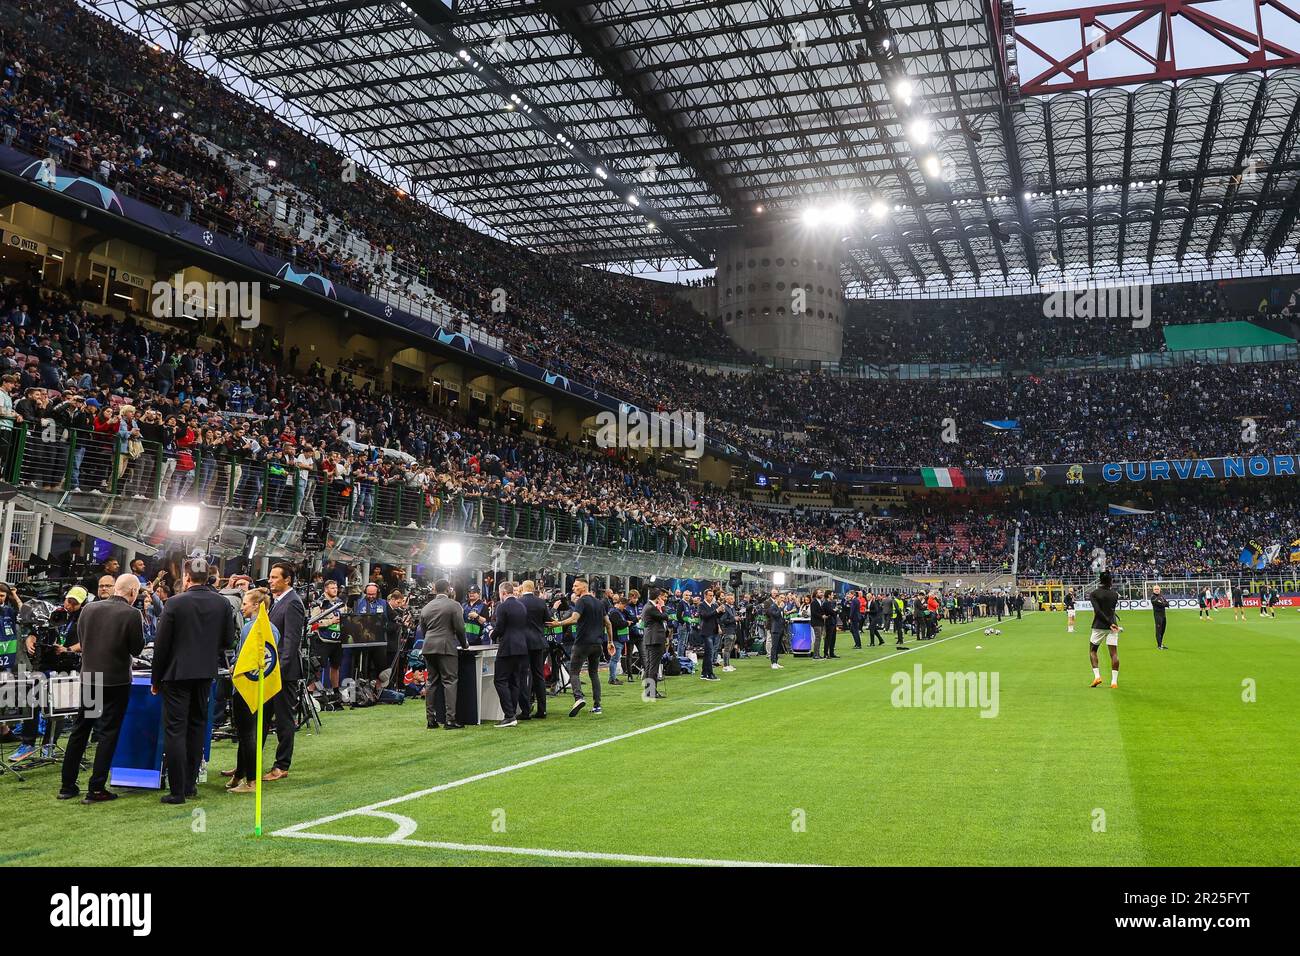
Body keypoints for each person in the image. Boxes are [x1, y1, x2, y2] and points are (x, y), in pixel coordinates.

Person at [151, 558, 236, 804]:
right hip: (204, 674)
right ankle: (189, 785)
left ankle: (177, 791)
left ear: (187, 578)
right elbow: (228, 640)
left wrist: (156, 679)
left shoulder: (175, 603)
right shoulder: (221, 603)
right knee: (197, 728)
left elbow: (161, 646)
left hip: (177, 675)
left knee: (176, 731)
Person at [58, 574, 144, 803]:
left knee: (81, 730)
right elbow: (137, 649)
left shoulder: (89, 609)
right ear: (133, 592)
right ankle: (96, 788)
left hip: (90, 678)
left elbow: (83, 641)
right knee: (108, 733)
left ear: (116, 588)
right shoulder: (132, 614)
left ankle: (67, 786)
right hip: (116, 681)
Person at [226, 588, 279, 794]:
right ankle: (240, 774)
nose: (243, 607)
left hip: (247, 688)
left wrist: (234, 666)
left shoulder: (251, 628)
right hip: (265, 687)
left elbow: (245, 659)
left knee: (247, 734)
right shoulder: (272, 628)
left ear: (257, 605)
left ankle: (251, 781)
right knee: (251, 733)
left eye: (246, 603)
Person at [264, 561, 305, 781]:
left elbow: (291, 642)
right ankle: (247, 765)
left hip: (282, 673)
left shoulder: (292, 603)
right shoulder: (278, 602)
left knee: (284, 719)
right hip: (271, 670)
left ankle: (281, 765)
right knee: (261, 718)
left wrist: (279, 669)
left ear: (287, 579)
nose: (270, 581)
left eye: (274, 577)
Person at [551, 578, 612, 716]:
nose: (573, 588)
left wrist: (558, 623)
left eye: (575, 586)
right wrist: (610, 642)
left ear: (583, 588)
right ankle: (597, 705)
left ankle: (579, 698)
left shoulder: (581, 601)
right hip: (597, 644)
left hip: (582, 643)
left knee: (574, 672)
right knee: (594, 673)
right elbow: (608, 623)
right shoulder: (599, 603)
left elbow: (574, 619)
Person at [420, 578, 468, 730]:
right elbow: (460, 628)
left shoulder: (426, 607)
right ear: (448, 589)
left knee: (431, 682)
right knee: (450, 681)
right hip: (446, 646)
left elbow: (423, 630)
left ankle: (431, 720)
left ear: (435, 590)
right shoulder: (454, 605)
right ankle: (450, 720)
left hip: (428, 646)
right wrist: (464, 643)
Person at [490, 582, 529, 728]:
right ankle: (511, 713)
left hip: (508, 647)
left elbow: (499, 627)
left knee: (500, 680)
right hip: (521, 647)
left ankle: (509, 715)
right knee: (514, 681)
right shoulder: (521, 605)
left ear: (503, 592)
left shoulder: (502, 606)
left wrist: (492, 634)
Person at [517, 580, 549, 720]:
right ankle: (542, 710)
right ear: (533, 588)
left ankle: (525, 710)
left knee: (523, 676)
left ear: (522, 588)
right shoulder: (541, 602)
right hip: (538, 642)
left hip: (523, 643)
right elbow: (547, 621)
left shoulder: (519, 602)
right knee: (539, 676)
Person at [309, 579, 344, 699]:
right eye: (332, 588)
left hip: (337, 640)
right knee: (318, 668)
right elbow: (312, 623)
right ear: (326, 589)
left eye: (336, 587)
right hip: (322, 640)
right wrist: (330, 621)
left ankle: (335, 691)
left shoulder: (340, 602)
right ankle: (311, 693)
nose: (335, 590)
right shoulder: (319, 603)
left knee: (336, 666)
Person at [1088, 571, 1121, 690]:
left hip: (1099, 625)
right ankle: (1114, 682)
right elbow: (1110, 610)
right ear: (1110, 581)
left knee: (1092, 650)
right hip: (1113, 626)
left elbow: (1098, 611)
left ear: (1100, 580)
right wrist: (1112, 623)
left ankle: (1097, 676)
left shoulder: (1094, 594)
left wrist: (1108, 623)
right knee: (1114, 654)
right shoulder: (1115, 594)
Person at [640, 588, 671, 699]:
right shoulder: (651, 608)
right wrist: (662, 606)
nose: (663, 599)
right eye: (662, 597)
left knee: (649, 666)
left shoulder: (647, 606)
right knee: (653, 666)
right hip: (655, 639)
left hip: (651, 639)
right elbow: (665, 616)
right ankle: (651, 691)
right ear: (658, 597)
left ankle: (649, 690)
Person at [698, 588, 720, 680]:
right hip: (706, 631)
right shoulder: (701, 605)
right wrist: (716, 611)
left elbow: (716, 617)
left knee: (708, 653)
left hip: (713, 630)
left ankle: (704, 673)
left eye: (712, 595)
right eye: (710, 595)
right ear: (705, 596)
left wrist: (721, 612)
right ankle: (710, 674)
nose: (712, 597)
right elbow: (705, 616)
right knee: (710, 653)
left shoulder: (714, 605)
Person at [607, 596, 629, 685]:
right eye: (624, 606)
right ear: (620, 603)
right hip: (616, 639)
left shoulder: (616, 612)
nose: (625, 608)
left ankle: (613, 677)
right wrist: (627, 623)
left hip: (618, 638)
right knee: (614, 659)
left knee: (615, 659)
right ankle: (612, 678)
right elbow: (619, 624)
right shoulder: (615, 613)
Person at [764, 586, 786, 670]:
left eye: (784, 598)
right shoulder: (773, 606)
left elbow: (781, 616)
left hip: (780, 628)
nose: (782, 599)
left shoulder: (780, 606)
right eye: (781, 597)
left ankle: (776, 662)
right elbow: (775, 615)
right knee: (774, 646)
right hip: (775, 628)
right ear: (777, 598)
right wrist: (780, 608)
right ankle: (773, 662)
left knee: (777, 646)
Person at [719, 591, 738, 672]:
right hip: (728, 630)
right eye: (730, 598)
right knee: (727, 649)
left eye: (733, 598)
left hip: (733, 630)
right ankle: (725, 665)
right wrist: (734, 619)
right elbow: (723, 620)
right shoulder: (724, 608)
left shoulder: (732, 607)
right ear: (726, 599)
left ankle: (728, 664)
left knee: (730, 649)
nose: (732, 600)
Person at [1151, 585, 1169, 650]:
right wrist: (1164, 604)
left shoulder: (1161, 596)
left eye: (1158, 589)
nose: (1156, 590)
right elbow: (1161, 604)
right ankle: (1159, 645)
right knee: (1158, 630)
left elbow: (1167, 603)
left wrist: (1163, 603)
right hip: (1158, 616)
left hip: (1163, 615)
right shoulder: (1153, 597)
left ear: (1159, 590)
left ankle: (1161, 643)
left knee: (1163, 630)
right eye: (1155, 589)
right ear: (1153, 590)